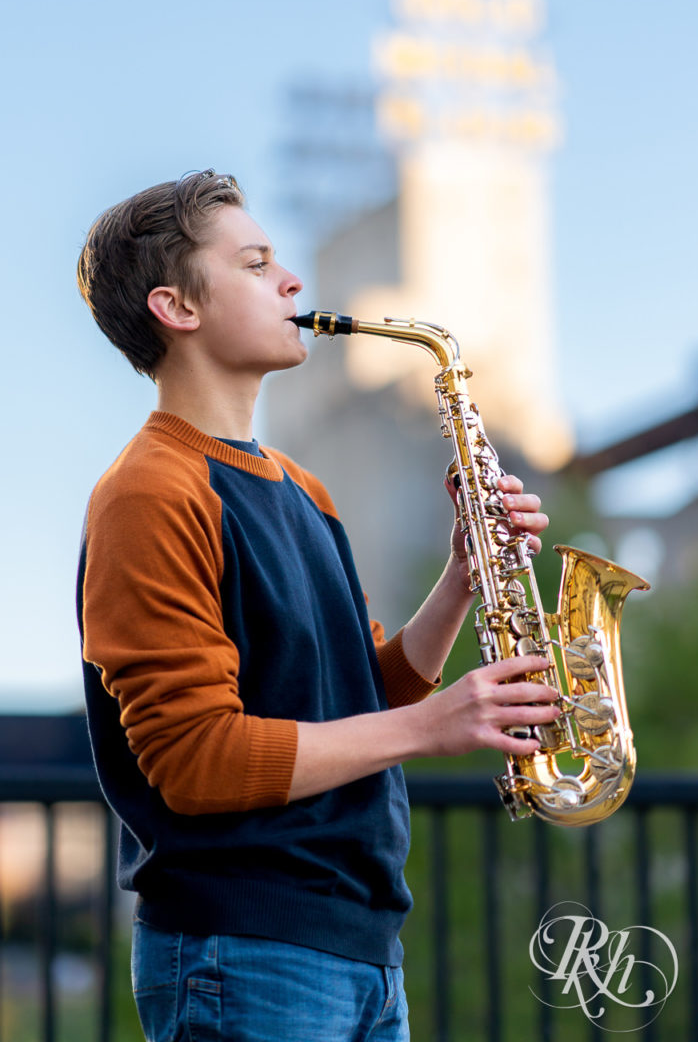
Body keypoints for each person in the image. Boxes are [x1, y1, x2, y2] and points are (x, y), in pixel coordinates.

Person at [76, 169, 559, 1042]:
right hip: (242, 949)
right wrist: (432, 727)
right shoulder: (150, 492)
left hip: (360, 945)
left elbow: (364, 697)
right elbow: (195, 761)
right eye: (256, 264)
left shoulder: (304, 490)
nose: (292, 281)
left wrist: (462, 574)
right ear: (176, 308)